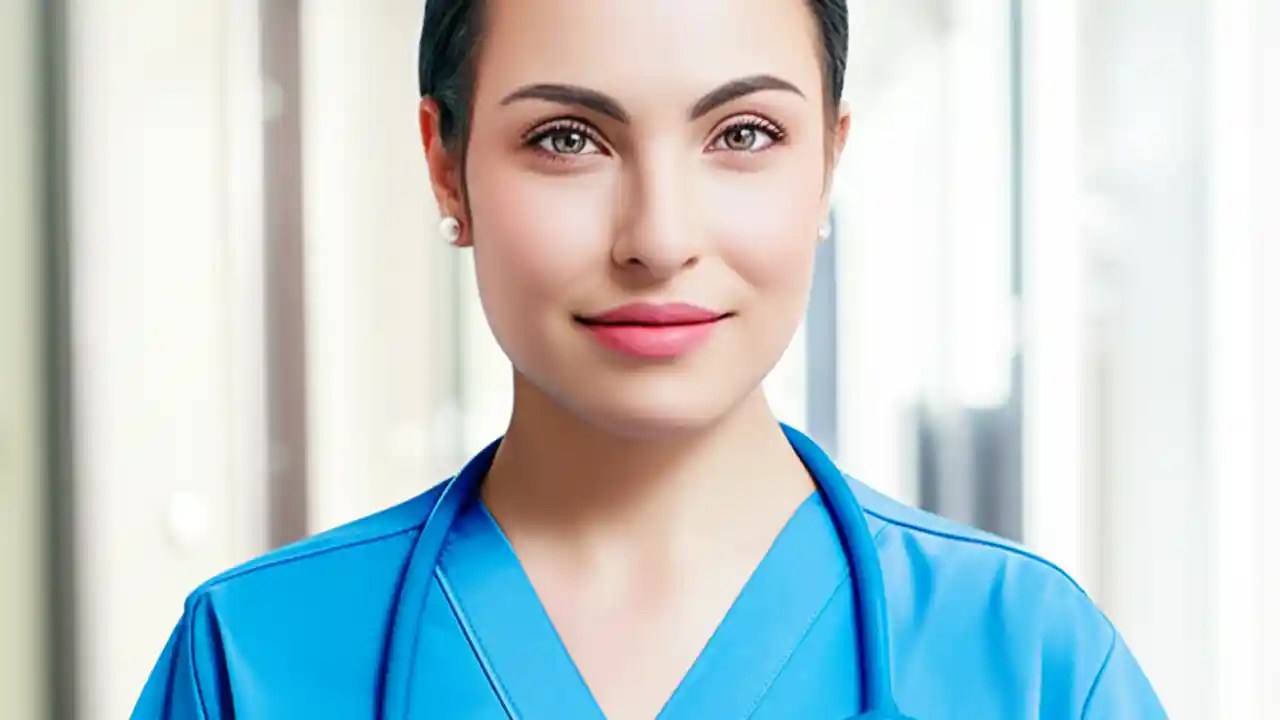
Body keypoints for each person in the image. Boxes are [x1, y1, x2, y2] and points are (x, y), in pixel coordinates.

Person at [132, 0, 1166, 717]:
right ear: (445, 167)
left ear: (828, 165)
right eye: (569, 139)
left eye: (744, 133)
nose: (657, 237)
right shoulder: (252, 659)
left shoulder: (1027, 660)